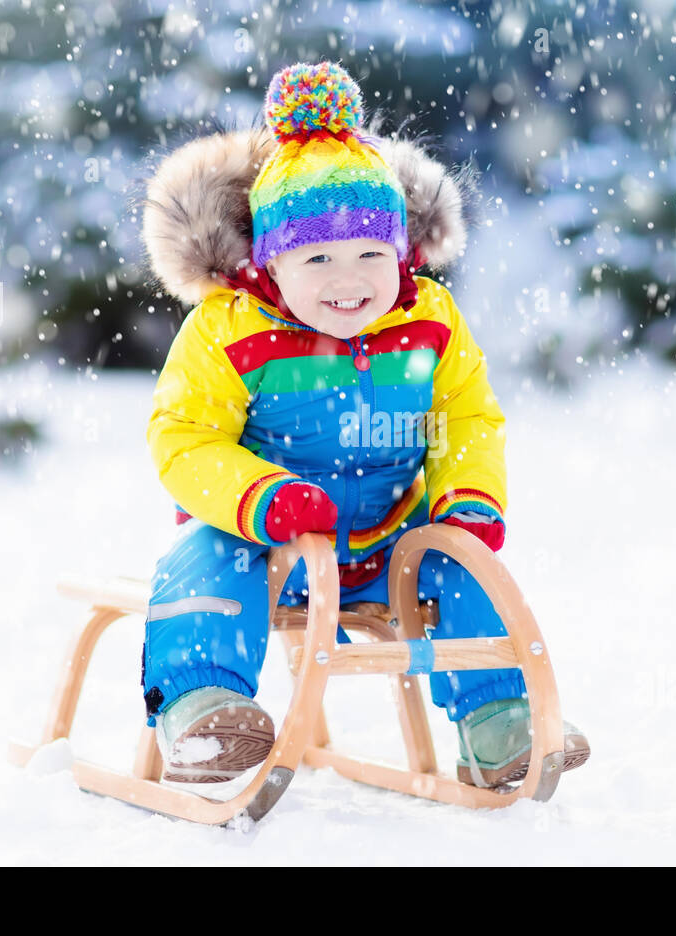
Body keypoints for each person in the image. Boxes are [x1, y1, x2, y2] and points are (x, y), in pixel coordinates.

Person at [138, 61, 588, 789]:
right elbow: (184, 435)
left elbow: (466, 418)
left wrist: (469, 496)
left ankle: (498, 722)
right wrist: (260, 498)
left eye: (371, 254)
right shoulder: (227, 330)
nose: (349, 280)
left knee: (462, 563)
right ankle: (202, 708)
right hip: (268, 542)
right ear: (271, 264)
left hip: (389, 541)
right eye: (318, 257)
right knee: (206, 559)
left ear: (402, 253)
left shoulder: (429, 323)